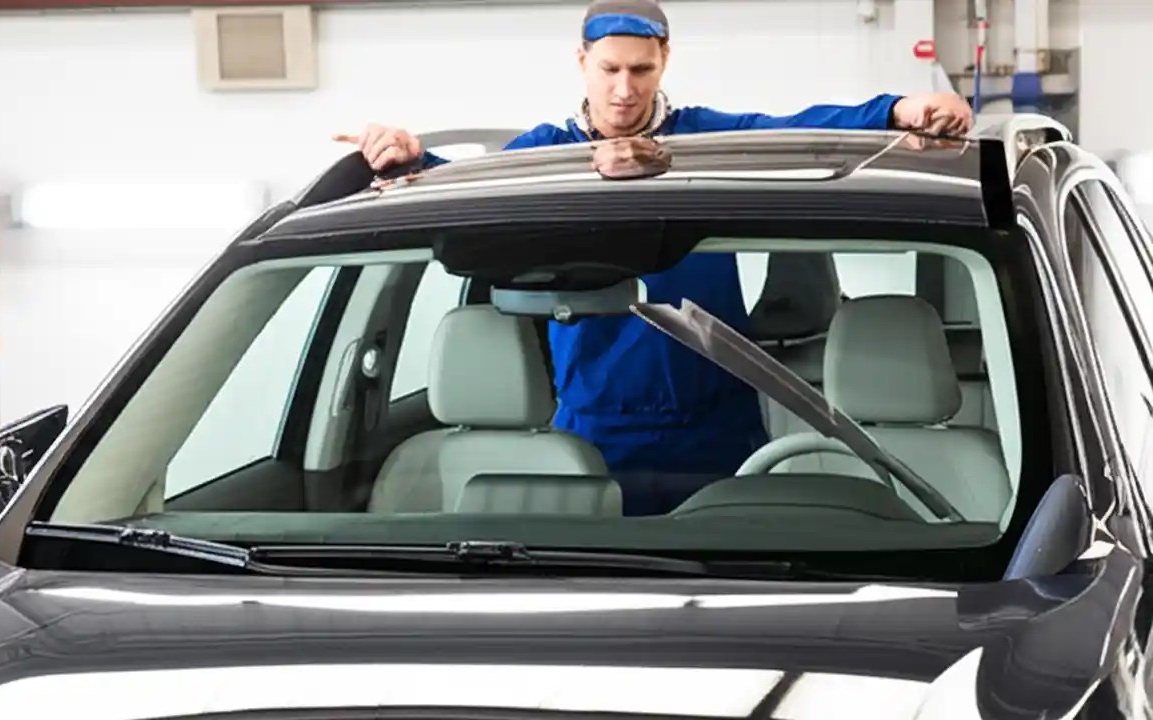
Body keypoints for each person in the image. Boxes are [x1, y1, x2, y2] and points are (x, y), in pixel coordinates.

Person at [336, 0, 975, 516]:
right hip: (591, 431)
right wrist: (413, 161)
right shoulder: (545, 154)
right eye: (609, 69)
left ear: (664, 60)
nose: (623, 89)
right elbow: (471, 198)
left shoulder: (706, 140)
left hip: (717, 427)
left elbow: (802, 131)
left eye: (640, 70)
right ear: (582, 61)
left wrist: (897, 110)